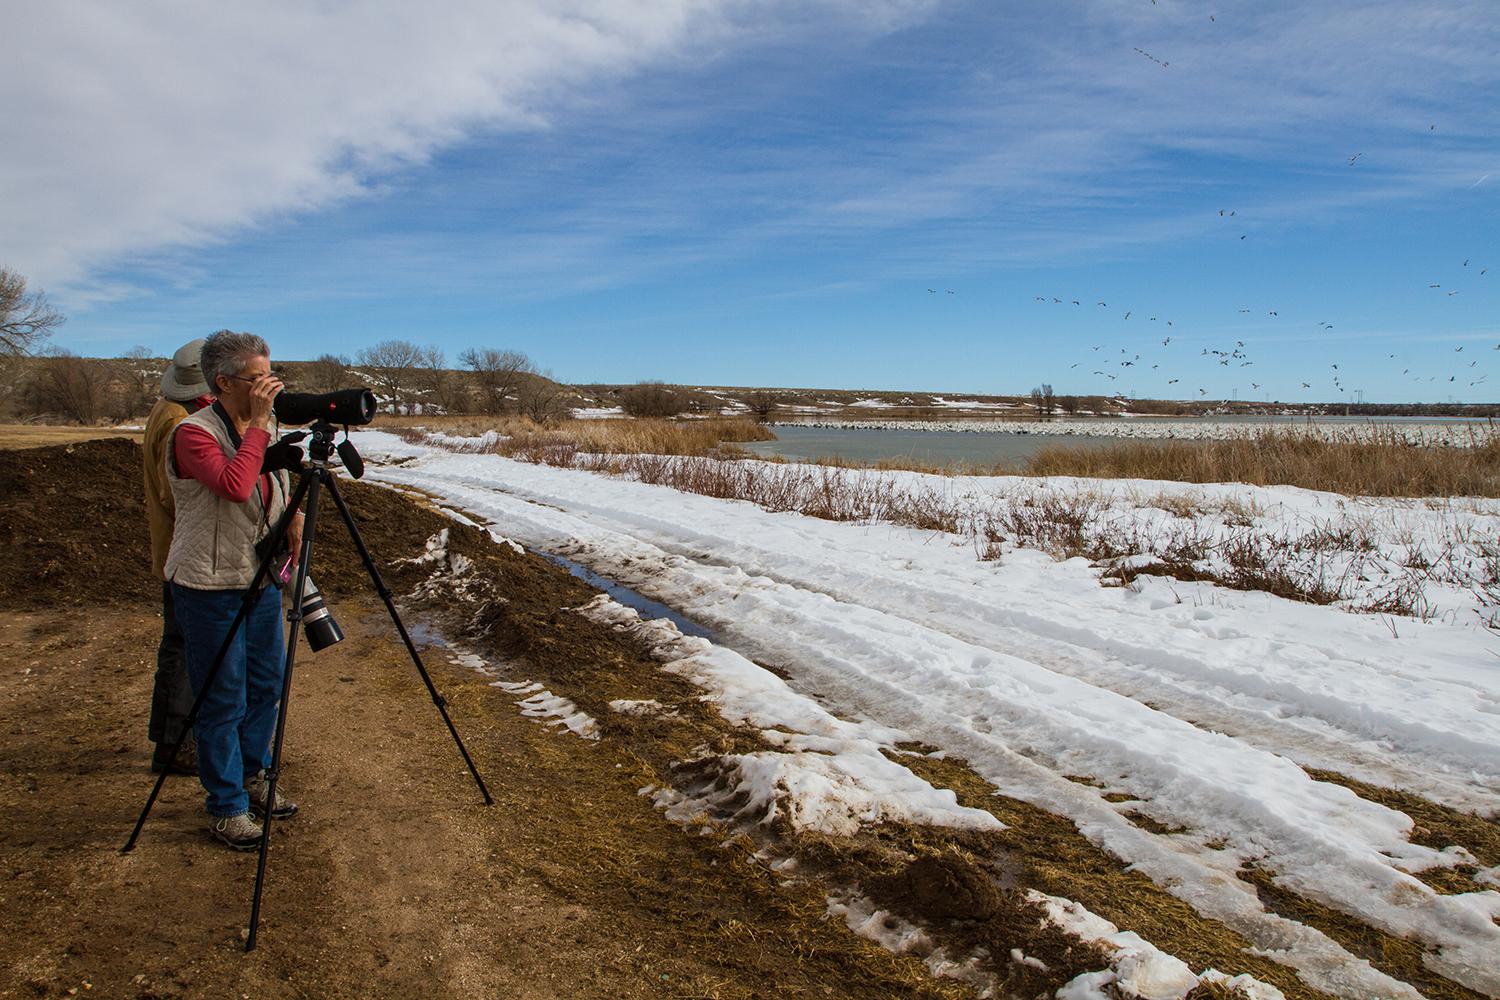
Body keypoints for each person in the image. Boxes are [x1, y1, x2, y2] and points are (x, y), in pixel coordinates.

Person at [165, 330, 304, 850]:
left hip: (258, 577)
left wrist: (292, 515)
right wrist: (261, 427)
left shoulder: (257, 428)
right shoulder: (193, 434)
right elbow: (235, 484)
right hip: (209, 584)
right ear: (224, 382)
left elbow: (269, 482)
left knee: (266, 684)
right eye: (257, 378)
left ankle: (253, 774)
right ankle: (226, 806)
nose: (269, 386)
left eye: (272, 374)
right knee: (223, 697)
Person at [141, 339, 215, 775]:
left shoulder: (170, 411)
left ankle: (177, 740)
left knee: (182, 645)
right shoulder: (178, 422)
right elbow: (178, 494)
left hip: (179, 547)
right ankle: (174, 743)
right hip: (186, 550)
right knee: (184, 647)